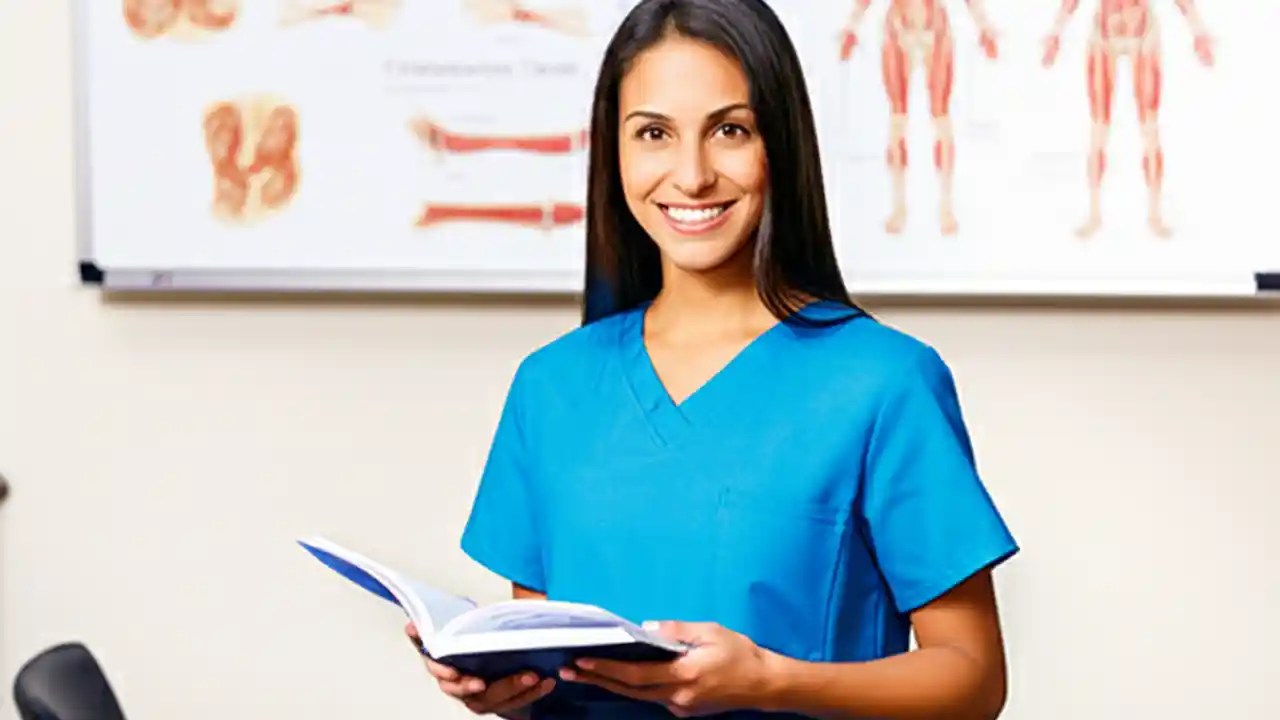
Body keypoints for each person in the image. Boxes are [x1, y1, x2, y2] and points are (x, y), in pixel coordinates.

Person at [408, 0, 1019, 717]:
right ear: (615, 152)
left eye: (730, 131)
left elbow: (975, 681)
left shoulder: (883, 384)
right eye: (654, 134)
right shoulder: (553, 386)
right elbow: (553, 680)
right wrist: (503, 690)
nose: (691, 175)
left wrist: (773, 680)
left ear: (779, 144)